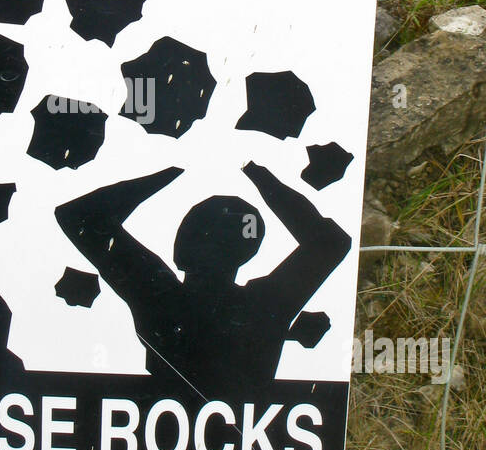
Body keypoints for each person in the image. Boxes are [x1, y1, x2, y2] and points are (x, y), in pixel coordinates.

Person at [55, 162, 350, 399]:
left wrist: (167, 170)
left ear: (181, 246)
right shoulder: (265, 303)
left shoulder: (157, 293)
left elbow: (80, 216)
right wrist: (259, 175)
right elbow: (330, 242)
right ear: (246, 253)